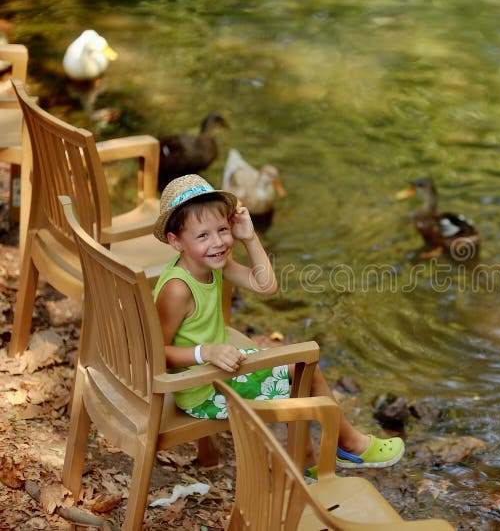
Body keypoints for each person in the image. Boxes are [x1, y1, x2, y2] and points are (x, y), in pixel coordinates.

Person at [152, 174, 404, 472]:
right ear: (175, 241)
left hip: (217, 373)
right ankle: (333, 451)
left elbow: (265, 286)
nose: (218, 242)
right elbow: (155, 353)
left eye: (222, 230)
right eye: (203, 235)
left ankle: (333, 449)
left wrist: (250, 237)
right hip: (202, 391)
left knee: (304, 368)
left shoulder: (210, 263)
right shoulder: (178, 289)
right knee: (299, 375)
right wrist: (204, 352)